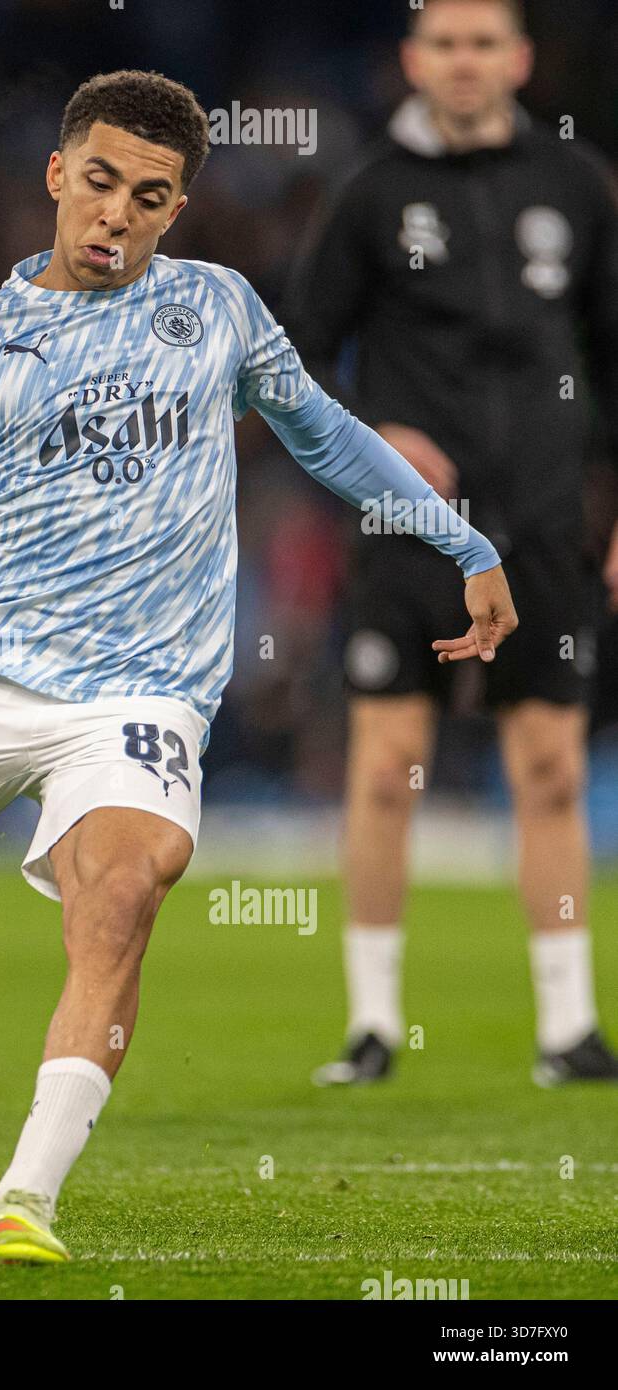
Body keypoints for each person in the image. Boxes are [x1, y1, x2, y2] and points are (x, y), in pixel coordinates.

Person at [0, 69, 515, 1261]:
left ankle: (27, 1195)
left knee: (125, 890)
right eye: (104, 181)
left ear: (178, 209)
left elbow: (320, 430)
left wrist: (462, 541)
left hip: (137, 691)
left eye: (151, 195)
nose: (118, 213)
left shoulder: (218, 311)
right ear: (60, 175)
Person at [284, 0, 618, 1088]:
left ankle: (567, 1031)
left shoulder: (577, 187)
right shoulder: (370, 195)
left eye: (483, 43)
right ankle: (369, 1026)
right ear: (411, 59)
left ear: (518, 59)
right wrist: (374, 433)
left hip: (547, 523)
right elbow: (289, 363)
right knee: (385, 770)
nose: (464, 62)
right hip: (408, 528)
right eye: (444, 43)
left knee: (551, 771)